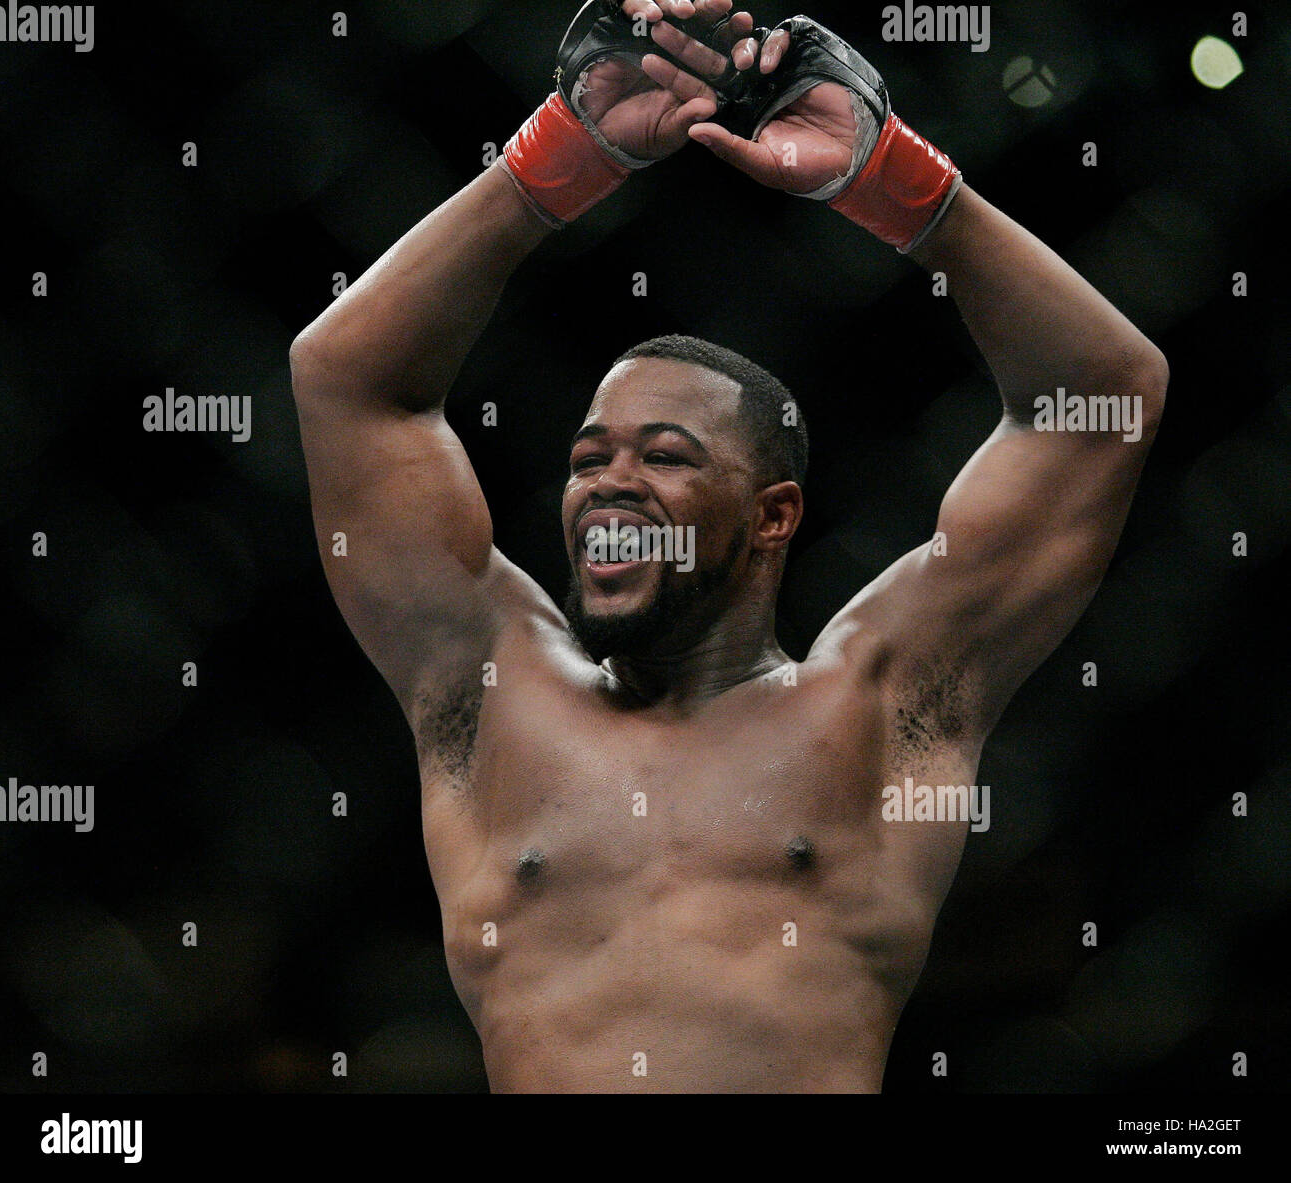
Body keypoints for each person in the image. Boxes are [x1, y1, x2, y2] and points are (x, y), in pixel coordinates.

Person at [289, 0, 1168, 1092]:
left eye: (664, 455)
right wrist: (561, 154)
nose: (608, 479)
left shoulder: (880, 706)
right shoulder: (484, 686)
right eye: (587, 455)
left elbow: (1100, 394)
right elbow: (344, 381)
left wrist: (887, 177)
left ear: (774, 515)